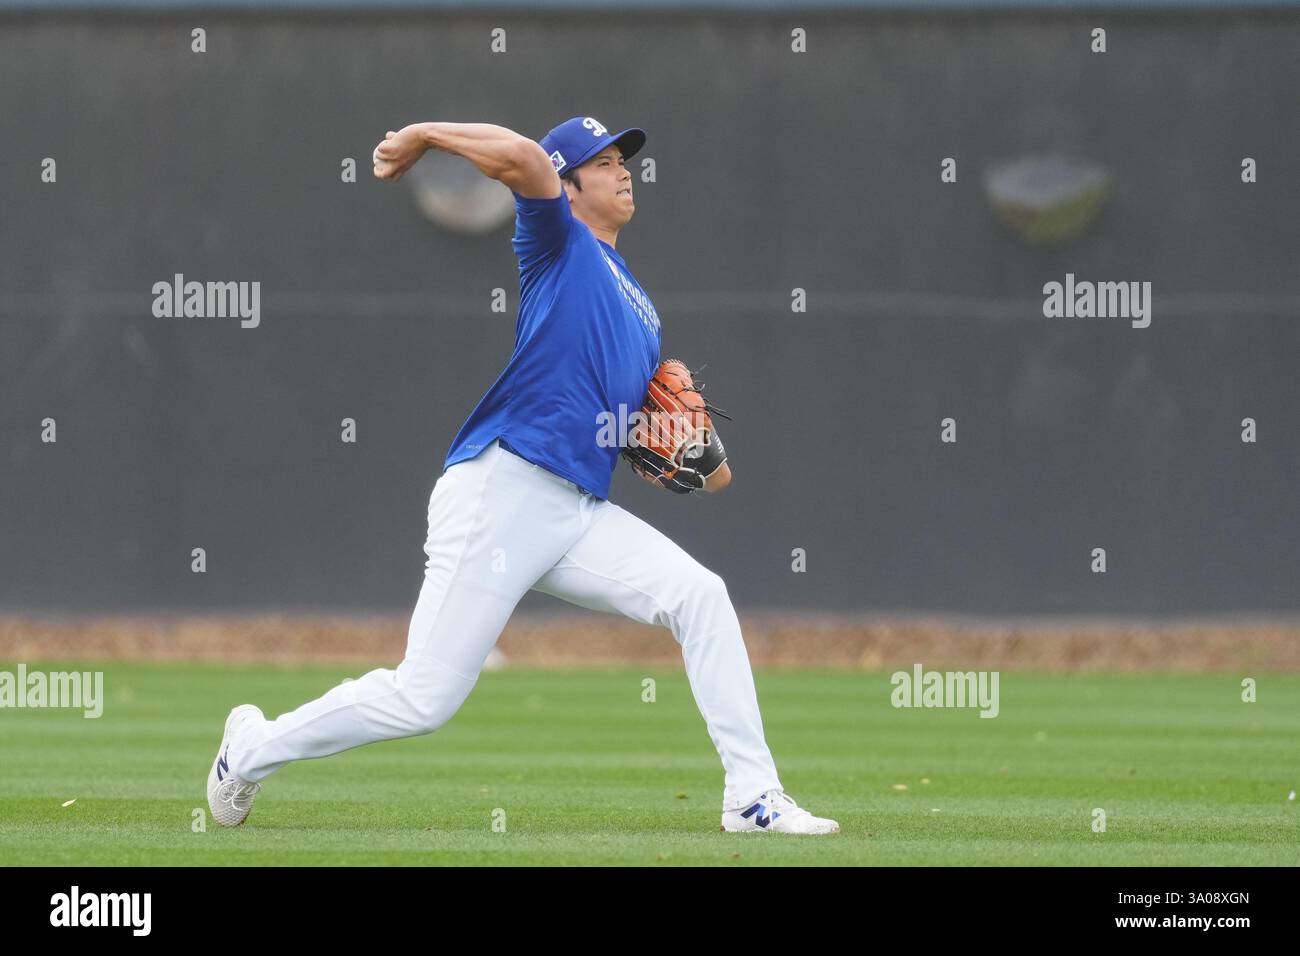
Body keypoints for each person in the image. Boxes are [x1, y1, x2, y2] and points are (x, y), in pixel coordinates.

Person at [206, 116, 838, 835]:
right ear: (567, 186)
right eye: (601, 163)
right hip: (501, 491)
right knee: (424, 699)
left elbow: (708, 477)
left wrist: (696, 447)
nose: (623, 170)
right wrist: (421, 135)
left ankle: (752, 797)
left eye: (622, 159)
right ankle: (249, 750)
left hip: (574, 513)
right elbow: (516, 157)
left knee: (701, 596)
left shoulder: (643, 311)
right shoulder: (557, 242)